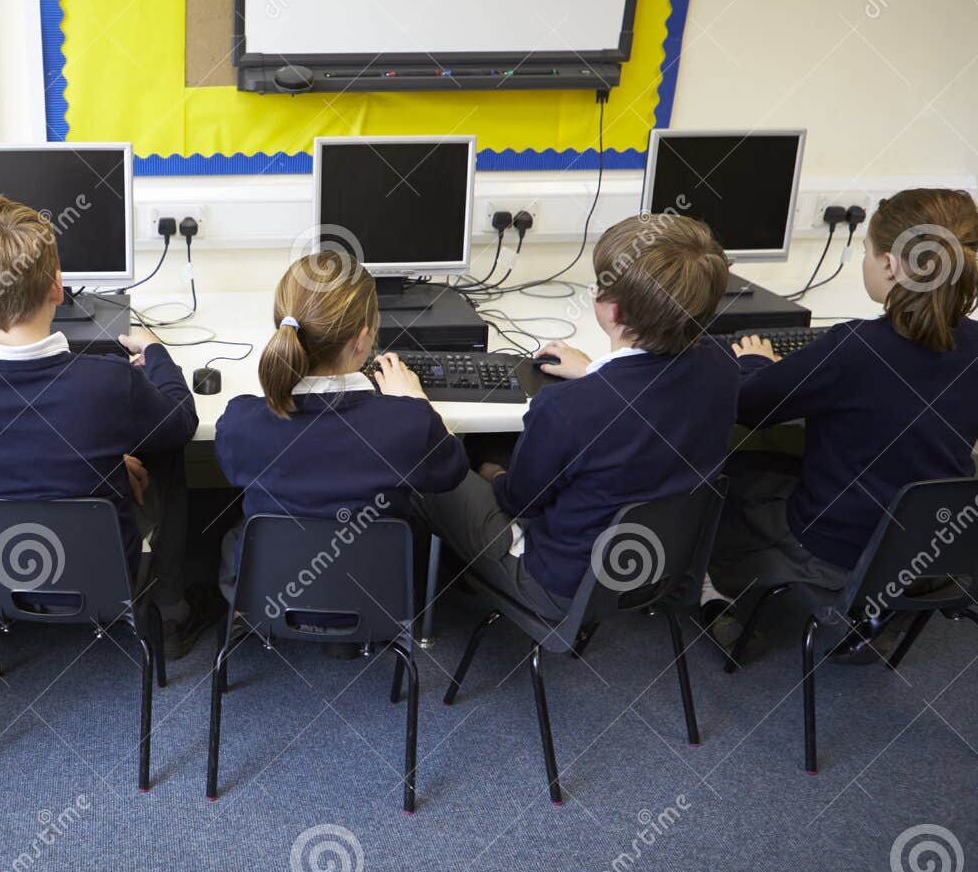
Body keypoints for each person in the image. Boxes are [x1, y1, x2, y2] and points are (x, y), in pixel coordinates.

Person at [0, 195, 208, 657]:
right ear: (57, 287)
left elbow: (24, 435)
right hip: (102, 568)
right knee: (166, 451)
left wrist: (107, 460)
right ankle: (171, 612)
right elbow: (181, 421)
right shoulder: (106, 381)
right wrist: (155, 352)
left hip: (1, 570)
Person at [416, 213, 738, 620]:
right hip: (659, 568)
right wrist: (596, 371)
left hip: (558, 586)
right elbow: (647, 404)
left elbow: (519, 501)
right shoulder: (722, 366)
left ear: (613, 311)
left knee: (429, 461)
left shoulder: (567, 408)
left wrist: (487, 471)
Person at [708, 188, 978, 660]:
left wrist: (753, 362)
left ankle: (719, 603)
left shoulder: (856, 348)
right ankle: (876, 616)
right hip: (936, 556)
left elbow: (747, 407)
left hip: (837, 555)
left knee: (723, 479)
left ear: (891, 265)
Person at [214, 252, 467, 601]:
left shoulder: (240, 423)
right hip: (376, 599)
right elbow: (453, 469)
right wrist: (416, 399)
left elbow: (232, 469)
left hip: (270, 597)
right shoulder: (409, 424)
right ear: (362, 339)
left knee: (234, 533)